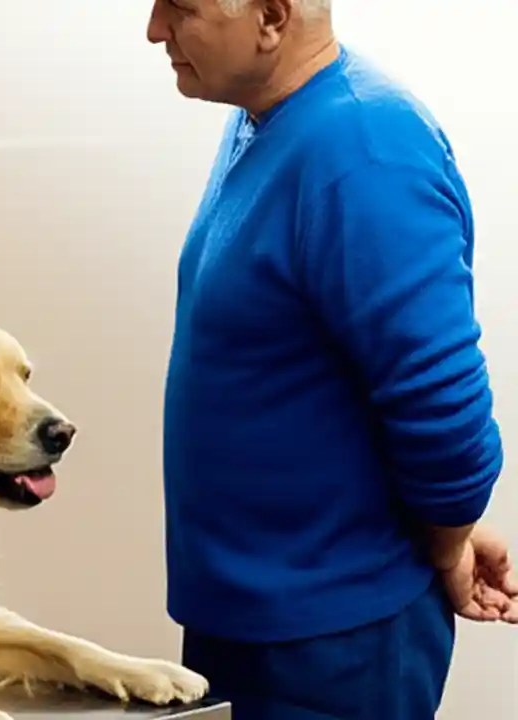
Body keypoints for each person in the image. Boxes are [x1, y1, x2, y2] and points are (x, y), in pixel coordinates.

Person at [148, 0, 515, 717]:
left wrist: (448, 542)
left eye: (180, 8)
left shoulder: (365, 147)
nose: (155, 30)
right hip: (252, 617)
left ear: (272, 18)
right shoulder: (267, 119)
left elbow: (446, 409)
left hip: (333, 639)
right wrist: (453, 527)